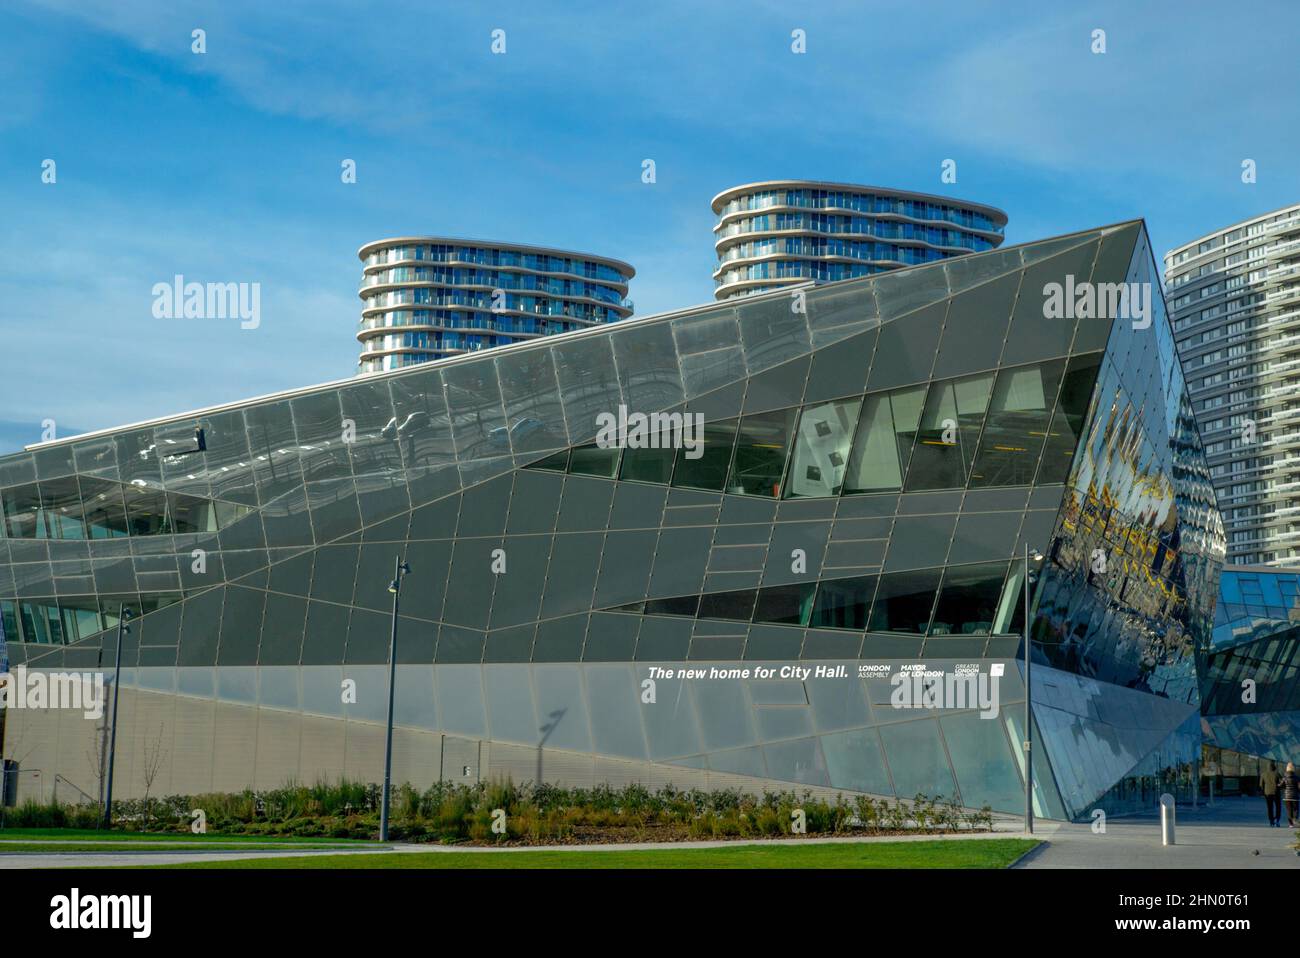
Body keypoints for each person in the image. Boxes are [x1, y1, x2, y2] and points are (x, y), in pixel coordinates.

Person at [1261, 760, 1281, 827]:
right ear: (1274, 766)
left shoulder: (1263, 774)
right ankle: (1277, 820)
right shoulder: (1277, 774)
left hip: (1267, 793)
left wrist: (1264, 792)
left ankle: (1271, 821)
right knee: (1278, 806)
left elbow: (1261, 784)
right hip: (1276, 792)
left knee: (1270, 807)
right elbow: (1282, 783)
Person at [1282, 762, 1300, 828]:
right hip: (1295, 796)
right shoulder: (1297, 778)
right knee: (1295, 809)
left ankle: (1291, 824)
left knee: (1289, 810)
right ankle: (1295, 820)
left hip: (1287, 797)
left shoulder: (1284, 778)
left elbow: (1281, 785)